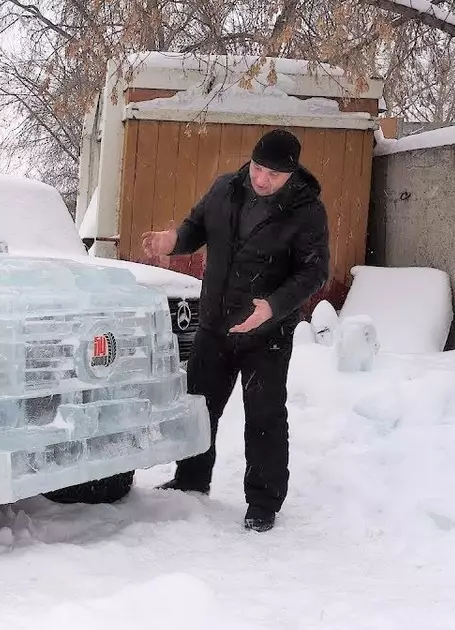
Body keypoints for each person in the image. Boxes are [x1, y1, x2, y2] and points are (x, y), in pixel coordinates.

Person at [141, 128, 329, 533]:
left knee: (264, 416)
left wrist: (274, 306)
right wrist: (173, 241)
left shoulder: (306, 210)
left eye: (273, 175)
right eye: (258, 168)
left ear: (291, 174)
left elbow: (315, 271)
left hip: (267, 335)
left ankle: (263, 501)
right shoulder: (226, 188)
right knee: (200, 407)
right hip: (215, 325)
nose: (261, 180)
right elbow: (196, 228)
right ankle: (191, 479)